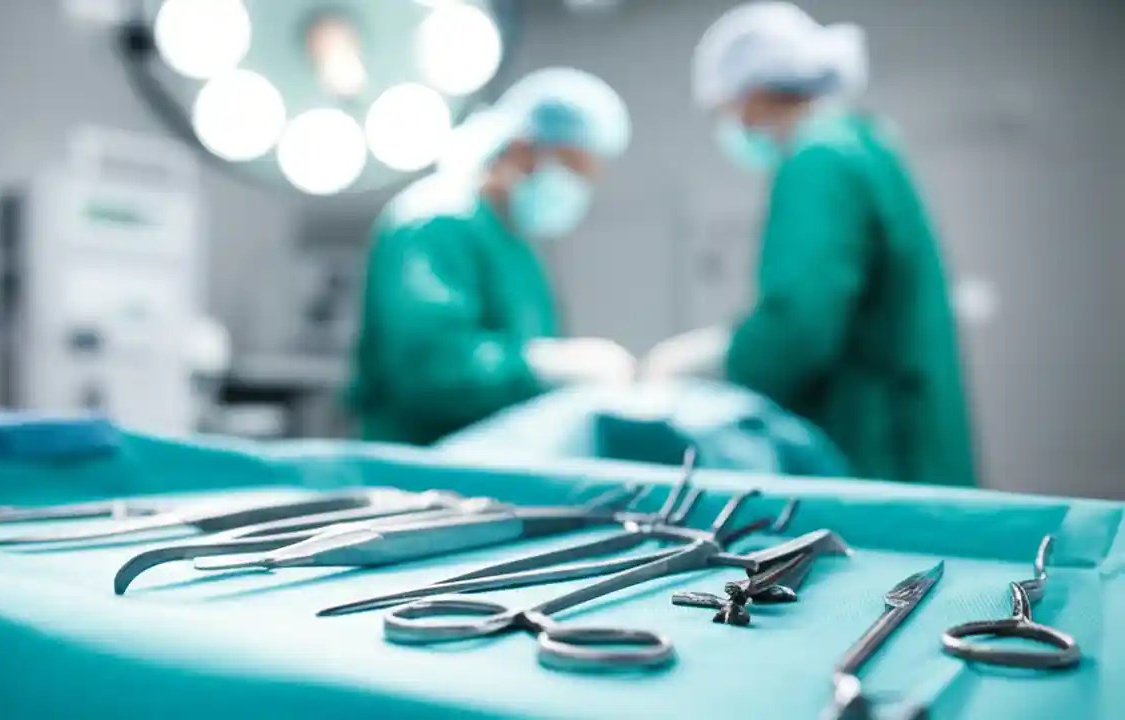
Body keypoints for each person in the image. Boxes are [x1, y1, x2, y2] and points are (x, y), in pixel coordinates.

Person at [642, 2, 976, 486]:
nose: (732, 125)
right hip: (911, 437)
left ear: (754, 94)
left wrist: (704, 364)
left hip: (874, 447)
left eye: (727, 109)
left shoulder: (818, 160)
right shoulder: (865, 143)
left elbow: (798, 326)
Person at [347, 68, 634, 445]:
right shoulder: (434, 222)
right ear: (521, 149)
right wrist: (543, 367)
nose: (578, 188)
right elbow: (430, 368)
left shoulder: (511, 238)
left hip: (492, 459)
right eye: (572, 167)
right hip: (420, 465)